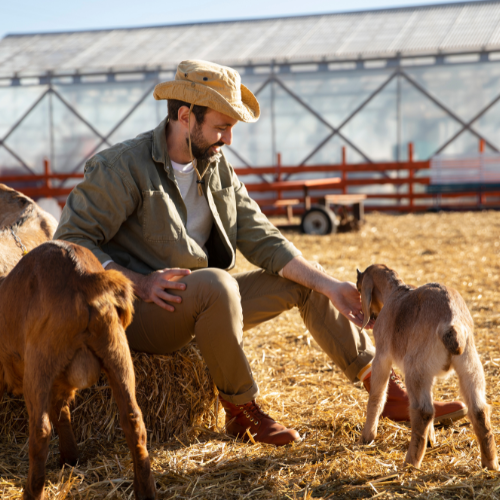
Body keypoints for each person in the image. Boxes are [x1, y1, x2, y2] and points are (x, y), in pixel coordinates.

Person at [54, 60, 466, 446]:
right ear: (184, 117)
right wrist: (139, 283)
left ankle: (383, 389)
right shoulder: (122, 167)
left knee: (303, 279)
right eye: (221, 127)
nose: (229, 139)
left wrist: (329, 286)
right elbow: (69, 243)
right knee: (216, 284)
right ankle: (240, 410)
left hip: (202, 302)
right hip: (137, 310)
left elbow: (264, 239)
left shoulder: (217, 167)